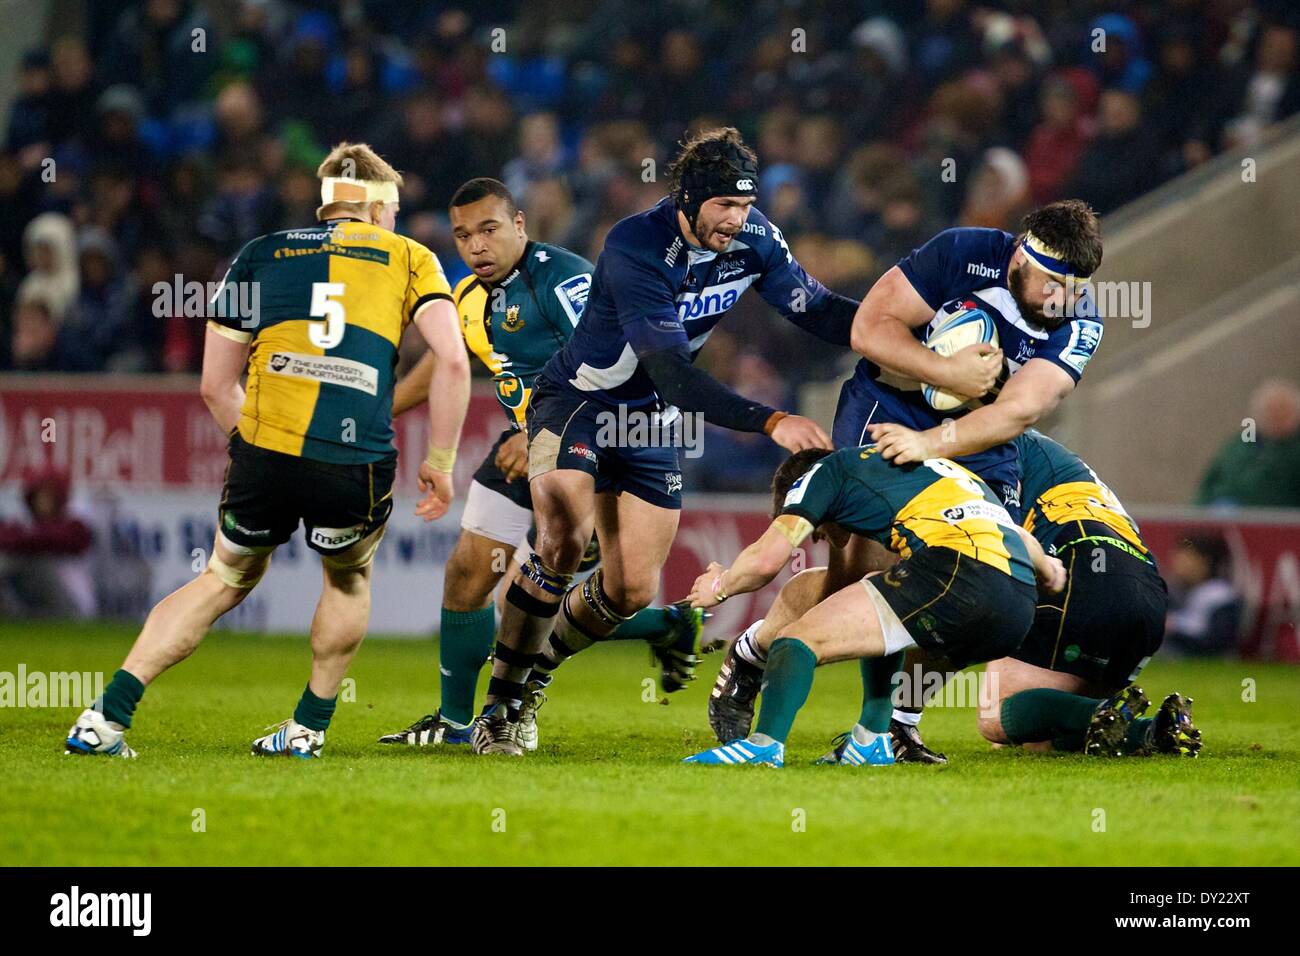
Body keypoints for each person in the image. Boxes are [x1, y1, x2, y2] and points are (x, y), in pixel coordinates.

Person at [63, 142, 469, 759]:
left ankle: (105, 719)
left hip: (264, 448)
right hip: (351, 459)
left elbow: (211, 384)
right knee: (348, 577)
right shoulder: (412, 258)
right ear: (382, 210)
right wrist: (439, 463)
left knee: (223, 577)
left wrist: (253, 443)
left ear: (326, 203)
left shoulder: (260, 253)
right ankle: (305, 730)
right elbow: (452, 359)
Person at [471, 127, 859, 755]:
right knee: (563, 534)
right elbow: (674, 375)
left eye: (744, 205)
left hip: (649, 421)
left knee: (628, 590)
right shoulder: (635, 244)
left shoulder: (756, 238)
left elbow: (815, 309)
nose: (737, 220)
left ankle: (534, 675)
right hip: (575, 402)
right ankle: (500, 705)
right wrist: (770, 420)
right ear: (688, 199)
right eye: (723, 207)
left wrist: (903, 322)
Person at [717, 200, 1107, 759]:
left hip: (981, 439)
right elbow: (869, 328)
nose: (1060, 300)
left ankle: (895, 723)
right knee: (862, 579)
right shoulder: (964, 252)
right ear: (1021, 254)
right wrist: (945, 371)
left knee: (984, 582)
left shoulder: (1079, 323)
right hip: (887, 407)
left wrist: (934, 442)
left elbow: (1017, 412)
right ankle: (753, 657)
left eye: (1075, 288)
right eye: (1051, 283)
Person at [376, 178, 702, 754]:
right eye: (463, 235)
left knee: (529, 599)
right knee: (467, 574)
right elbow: (446, 362)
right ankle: (456, 726)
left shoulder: (563, 278)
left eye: (489, 229)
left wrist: (541, 434)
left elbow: (610, 363)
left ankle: (521, 699)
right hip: (523, 444)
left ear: (520, 225)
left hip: (591, 447)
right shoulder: (467, 297)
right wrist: (381, 410)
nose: (475, 246)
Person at [681, 445, 1064, 768]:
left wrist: (718, 586)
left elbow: (766, 561)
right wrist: (1048, 570)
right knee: (880, 601)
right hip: (1018, 607)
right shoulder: (935, 470)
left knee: (795, 640)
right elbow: (1018, 537)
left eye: (818, 528)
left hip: (959, 573)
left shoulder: (822, 474)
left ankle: (762, 748)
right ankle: (870, 741)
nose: (820, 535)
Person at [906, 429, 1200, 760]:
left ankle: (1114, 716)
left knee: (995, 717)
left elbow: (995, 547)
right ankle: (1153, 730)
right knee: (1041, 736)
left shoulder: (984, 442)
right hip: (1147, 590)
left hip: (1081, 564)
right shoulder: (1045, 453)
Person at [1196, 379, 1300, 509]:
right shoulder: (1240, 444)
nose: (1272, 417)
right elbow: (1209, 483)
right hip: (1222, 514)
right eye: (1266, 411)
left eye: (1281, 411)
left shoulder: (1294, 452)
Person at [1164, 533, 1242, 658]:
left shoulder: (1220, 594)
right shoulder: (1177, 591)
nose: (1177, 563)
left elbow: (1217, 643)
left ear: (1204, 561)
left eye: (1186, 558)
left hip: (1209, 664)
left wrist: (1174, 631)